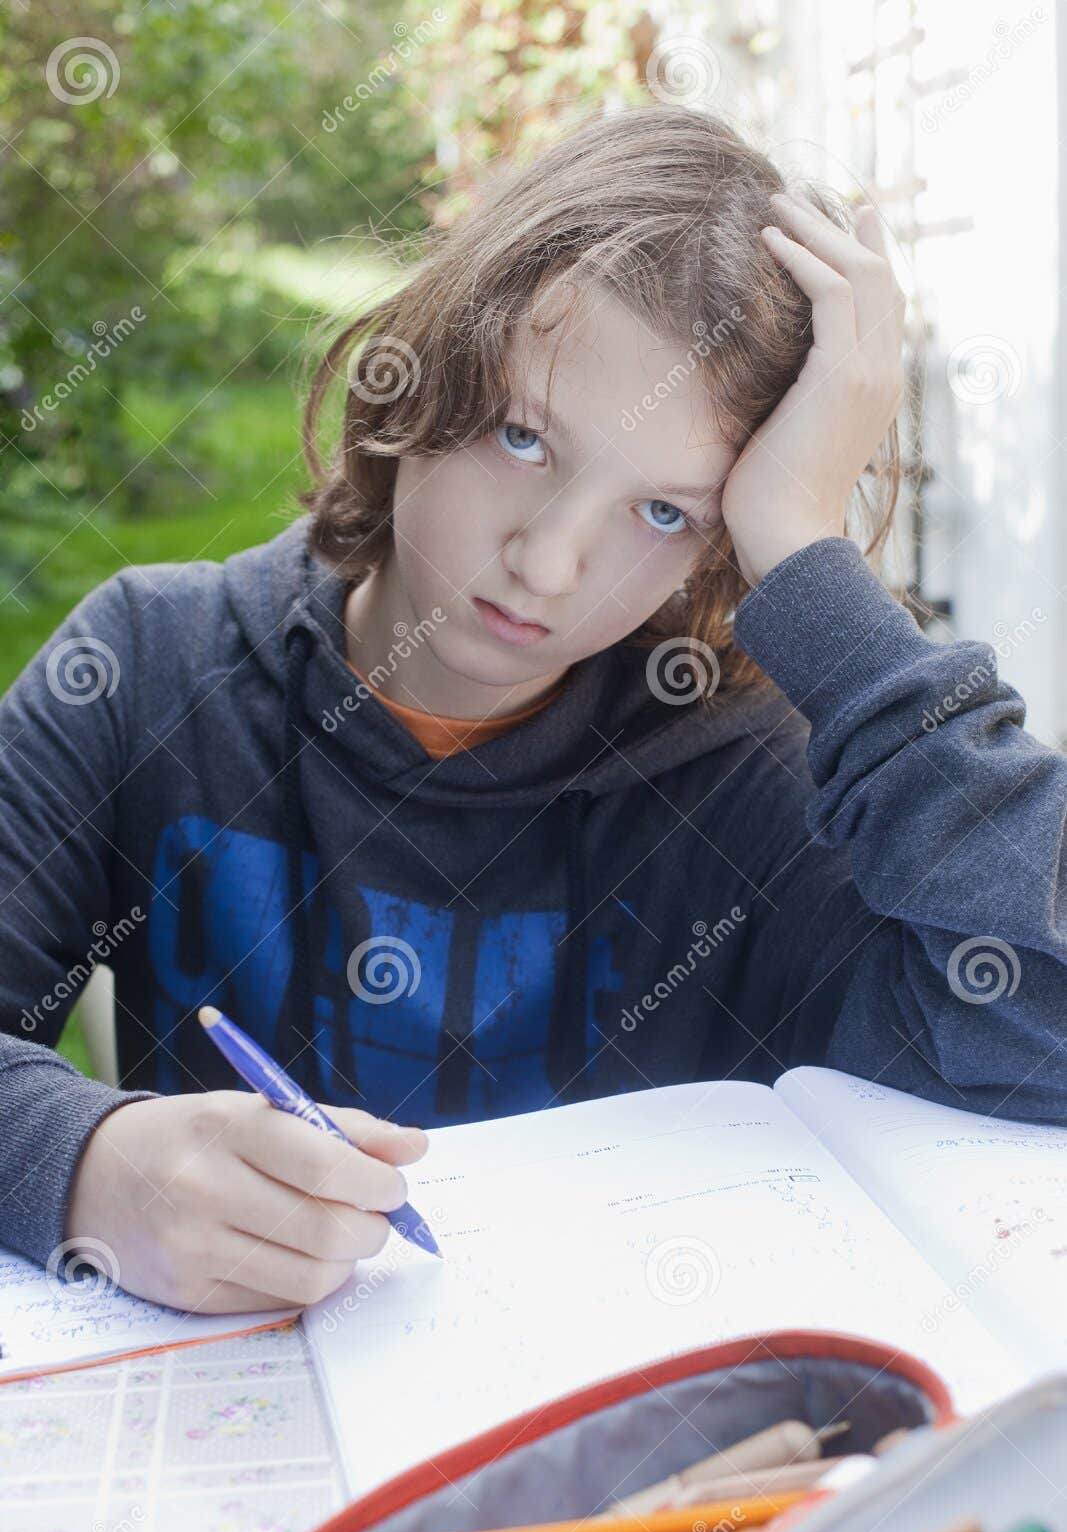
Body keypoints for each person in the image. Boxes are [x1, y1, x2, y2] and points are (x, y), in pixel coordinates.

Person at [2, 105, 1063, 1318]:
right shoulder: (148, 665)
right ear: (424, 363)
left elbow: (1035, 1040)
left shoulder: (753, 783)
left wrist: (807, 557)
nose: (550, 563)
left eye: (666, 511)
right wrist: (81, 1163)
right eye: (523, 437)